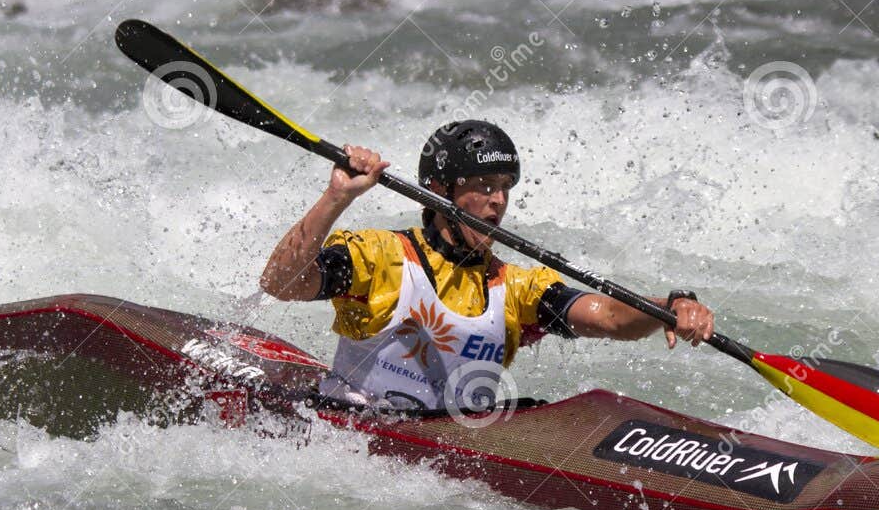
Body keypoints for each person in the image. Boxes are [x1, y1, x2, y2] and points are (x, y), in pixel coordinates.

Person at [259, 119, 716, 410]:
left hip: (455, 451)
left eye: (504, 187)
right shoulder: (381, 256)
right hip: (352, 431)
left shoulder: (515, 287)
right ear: (439, 191)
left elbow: (614, 320)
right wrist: (337, 196)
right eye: (482, 185)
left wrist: (669, 306)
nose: (497, 200)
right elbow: (280, 283)